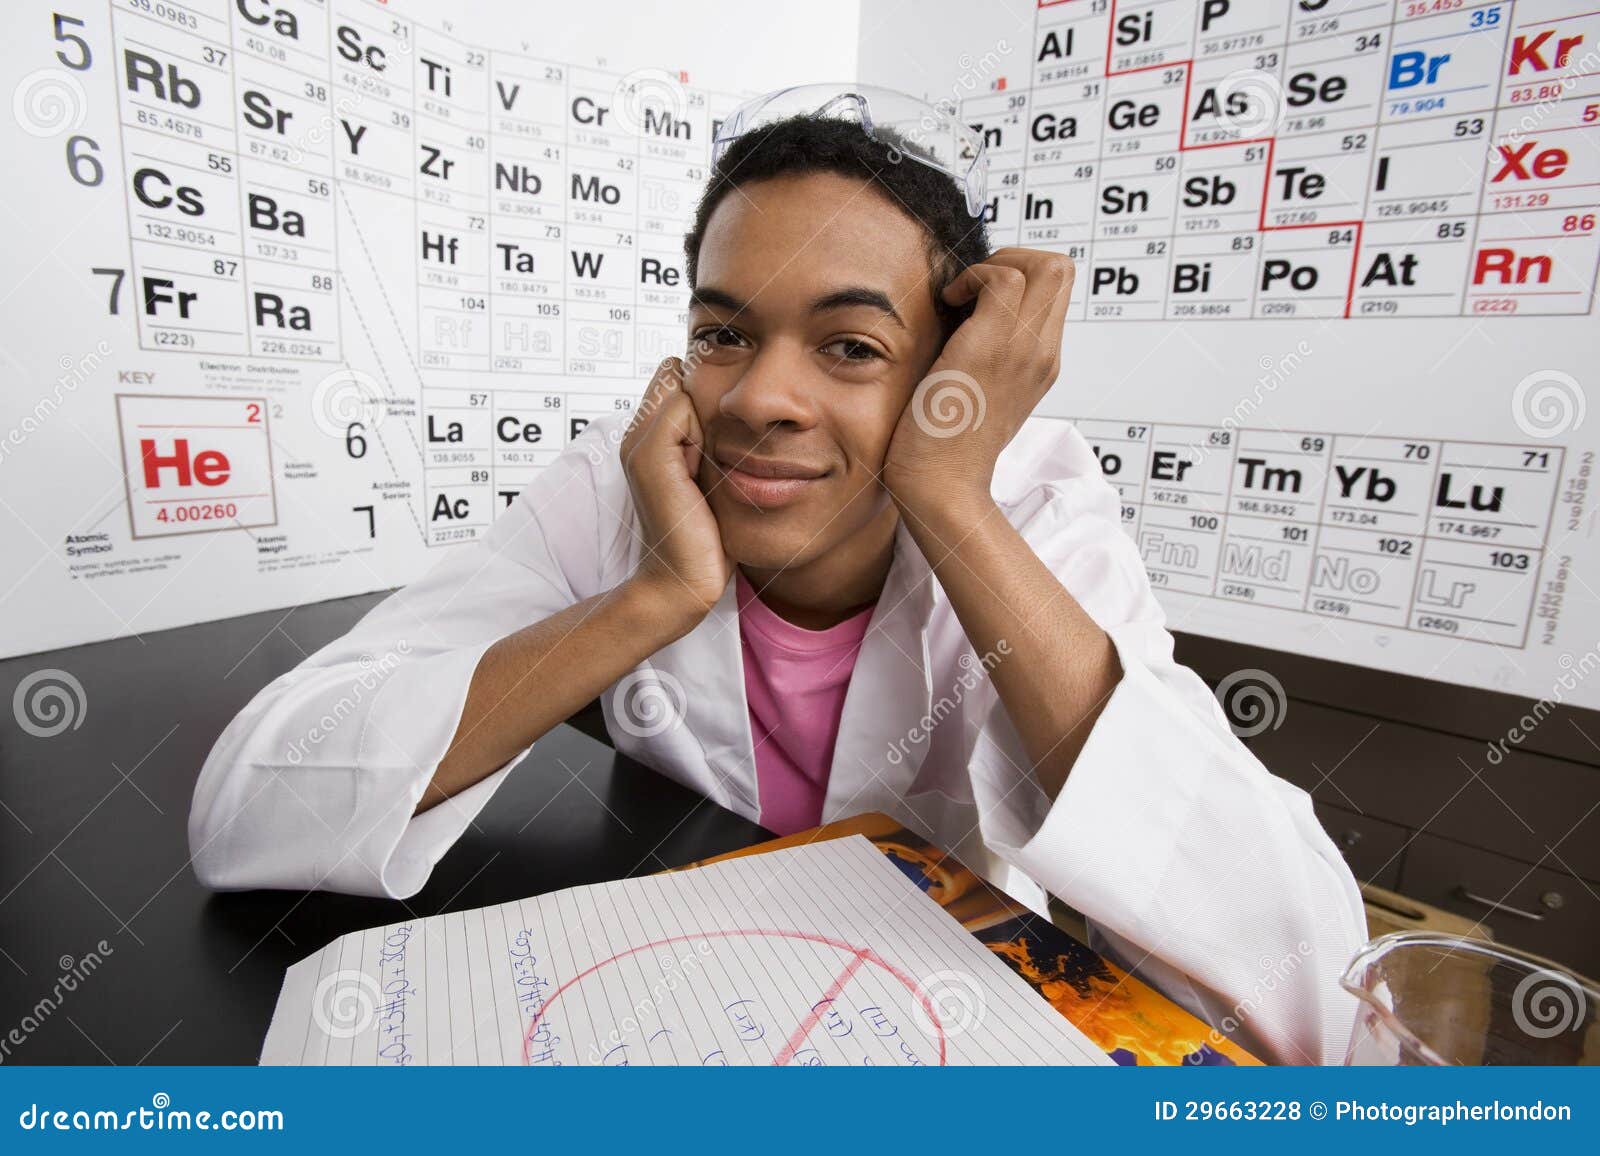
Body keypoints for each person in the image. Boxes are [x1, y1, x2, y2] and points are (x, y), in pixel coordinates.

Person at [189, 85, 1368, 1065]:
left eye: (852, 346)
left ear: (946, 371)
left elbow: (1313, 984)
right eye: (724, 334)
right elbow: (247, 807)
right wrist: (652, 595)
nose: (758, 397)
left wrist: (949, 496)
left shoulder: (1027, 504)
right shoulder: (629, 480)